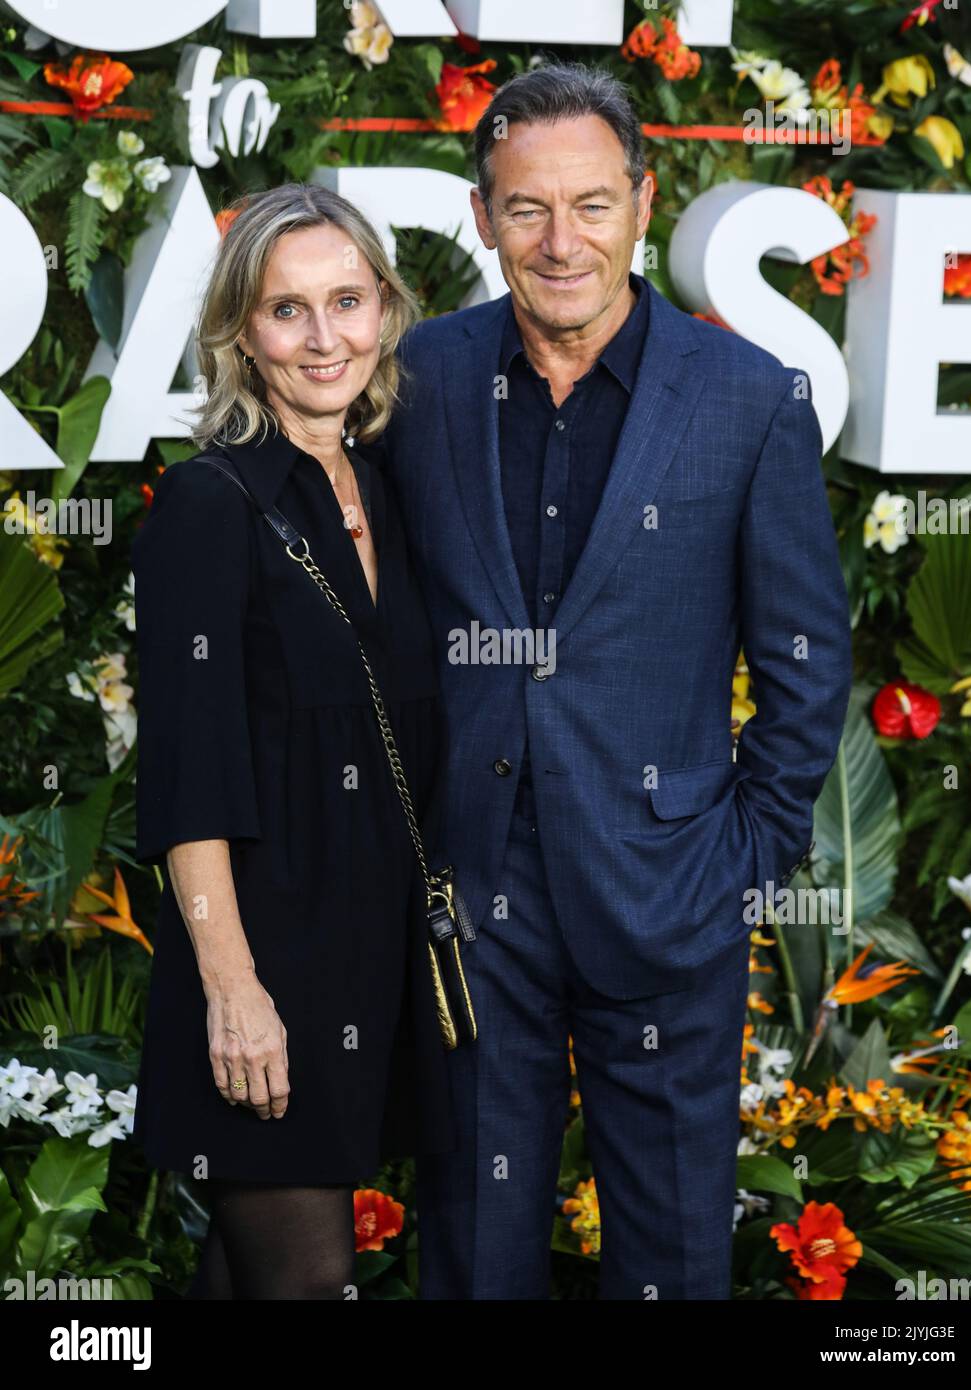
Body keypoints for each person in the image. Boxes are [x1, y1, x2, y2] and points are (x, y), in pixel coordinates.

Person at [375, 63, 853, 1299]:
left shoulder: (747, 398)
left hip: (669, 885)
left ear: (644, 203)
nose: (560, 239)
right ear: (482, 217)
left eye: (591, 204)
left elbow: (803, 650)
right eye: (527, 208)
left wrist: (747, 851)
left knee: (675, 1251)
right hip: (476, 897)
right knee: (478, 1255)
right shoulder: (420, 381)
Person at [129, 183, 454, 1300]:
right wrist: (234, 989)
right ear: (239, 335)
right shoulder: (208, 505)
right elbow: (186, 779)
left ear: (386, 309)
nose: (326, 339)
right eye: (288, 311)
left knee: (250, 1279)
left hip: (372, 961)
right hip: (263, 970)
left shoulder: (397, 489)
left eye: (348, 300)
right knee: (308, 1285)